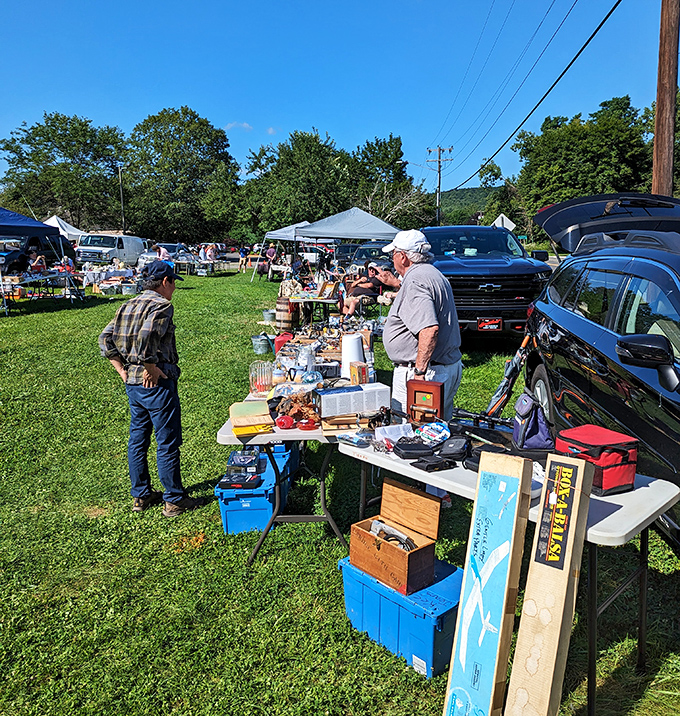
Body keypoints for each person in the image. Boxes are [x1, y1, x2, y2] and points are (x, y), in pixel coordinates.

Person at [98, 260, 205, 517]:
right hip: (156, 382)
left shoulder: (128, 305)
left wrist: (122, 370)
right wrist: (152, 367)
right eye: (173, 283)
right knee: (167, 441)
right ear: (165, 282)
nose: (174, 290)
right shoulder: (161, 305)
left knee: (138, 439)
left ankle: (141, 494)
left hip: (133, 384)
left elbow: (105, 338)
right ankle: (174, 499)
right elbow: (147, 339)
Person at [381, 230, 463, 506]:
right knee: (436, 432)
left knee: (418, 435)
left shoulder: (416, 281)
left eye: (394, 254)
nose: (392, 259)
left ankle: (424, 500)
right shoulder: (430, 273)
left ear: (403, 256)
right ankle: (435, 492)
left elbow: (428, 329)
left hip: (426, 371)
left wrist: (418, 372)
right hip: (445, 366)